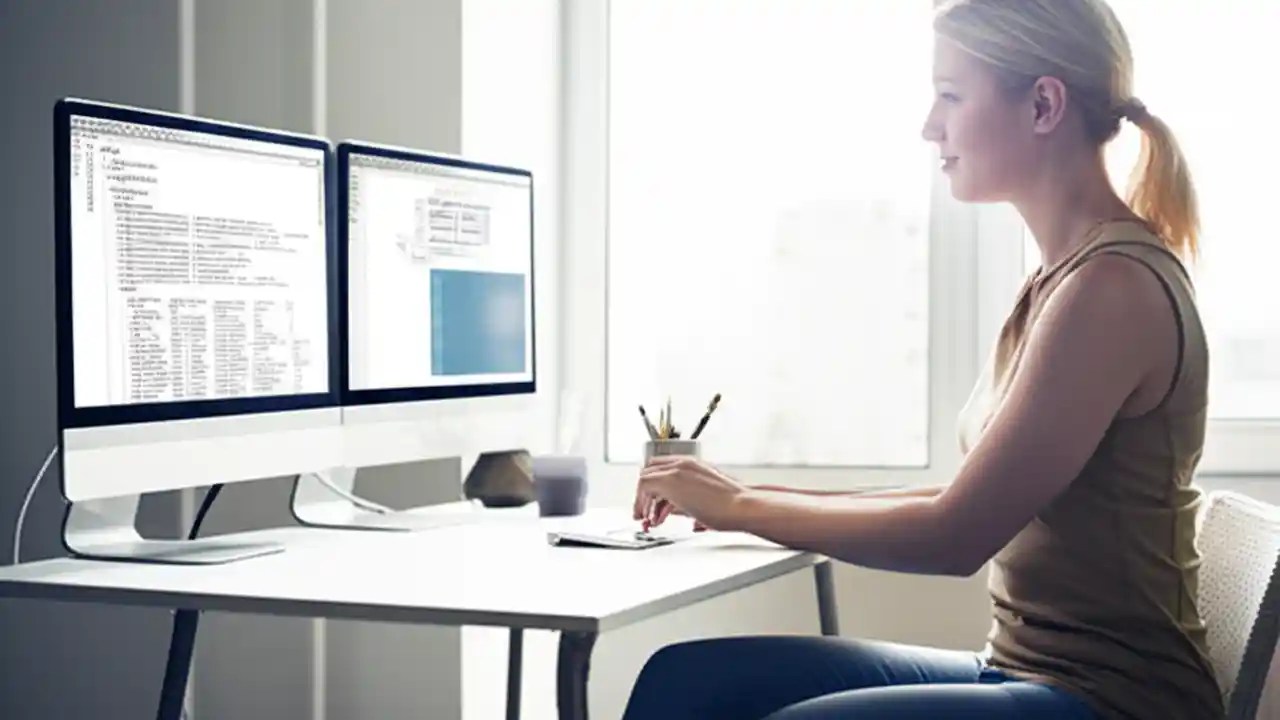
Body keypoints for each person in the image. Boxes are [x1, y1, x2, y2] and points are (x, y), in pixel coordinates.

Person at [623, 0, 1223, 718]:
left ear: (1042, 104)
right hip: (1019, 670)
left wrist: (745, 505)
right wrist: (739, 499)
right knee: (685, 684)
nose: (929, 126)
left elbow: (955, 534)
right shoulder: (1061, 278)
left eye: (950, 95)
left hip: (1117, 701)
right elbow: (958, 496)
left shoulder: (1111, 290)